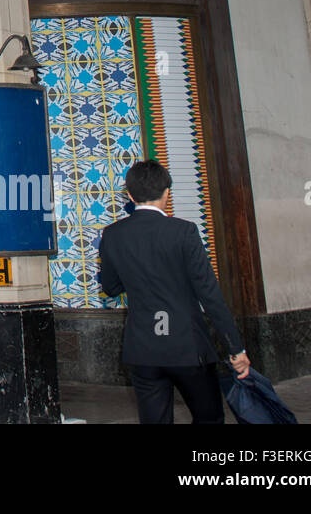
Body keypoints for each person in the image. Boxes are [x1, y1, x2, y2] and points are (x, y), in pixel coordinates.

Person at [98, 159, 251, 424]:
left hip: (143, 350)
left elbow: (110, 288)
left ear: (131, 195)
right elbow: (210, 295)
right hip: (188, 348)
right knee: (210, 419)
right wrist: (235, 349)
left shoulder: (111, 235)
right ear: (167, 192)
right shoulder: (184, 232)